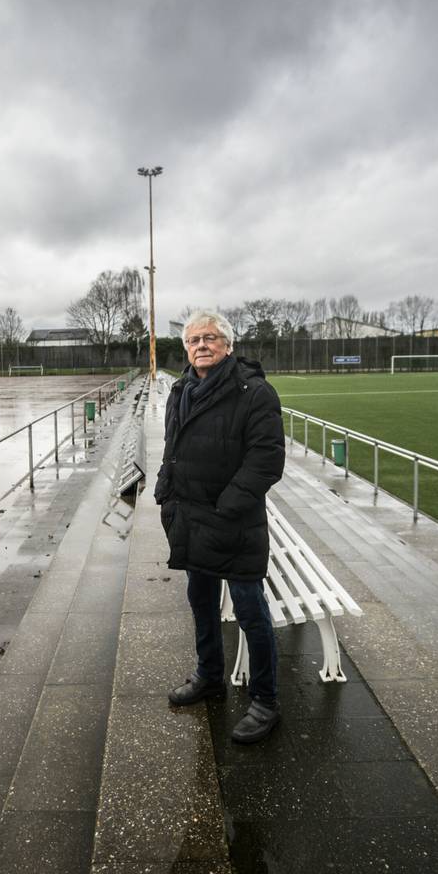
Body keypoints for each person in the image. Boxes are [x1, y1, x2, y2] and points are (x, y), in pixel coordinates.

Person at [154, 309, 286, 744]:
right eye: (194, 340)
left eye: (210, 338)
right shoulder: (181, 390)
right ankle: (209, 676)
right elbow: (173, 447)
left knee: (250, 611)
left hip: (234, 523)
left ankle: (266, 700)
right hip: (191, 519)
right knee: (201, 602)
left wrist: (227, 505)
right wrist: (163, 488)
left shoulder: (255, 393)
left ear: (228, 345)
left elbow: (266, 461)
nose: (201, 346)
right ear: (186, 349)